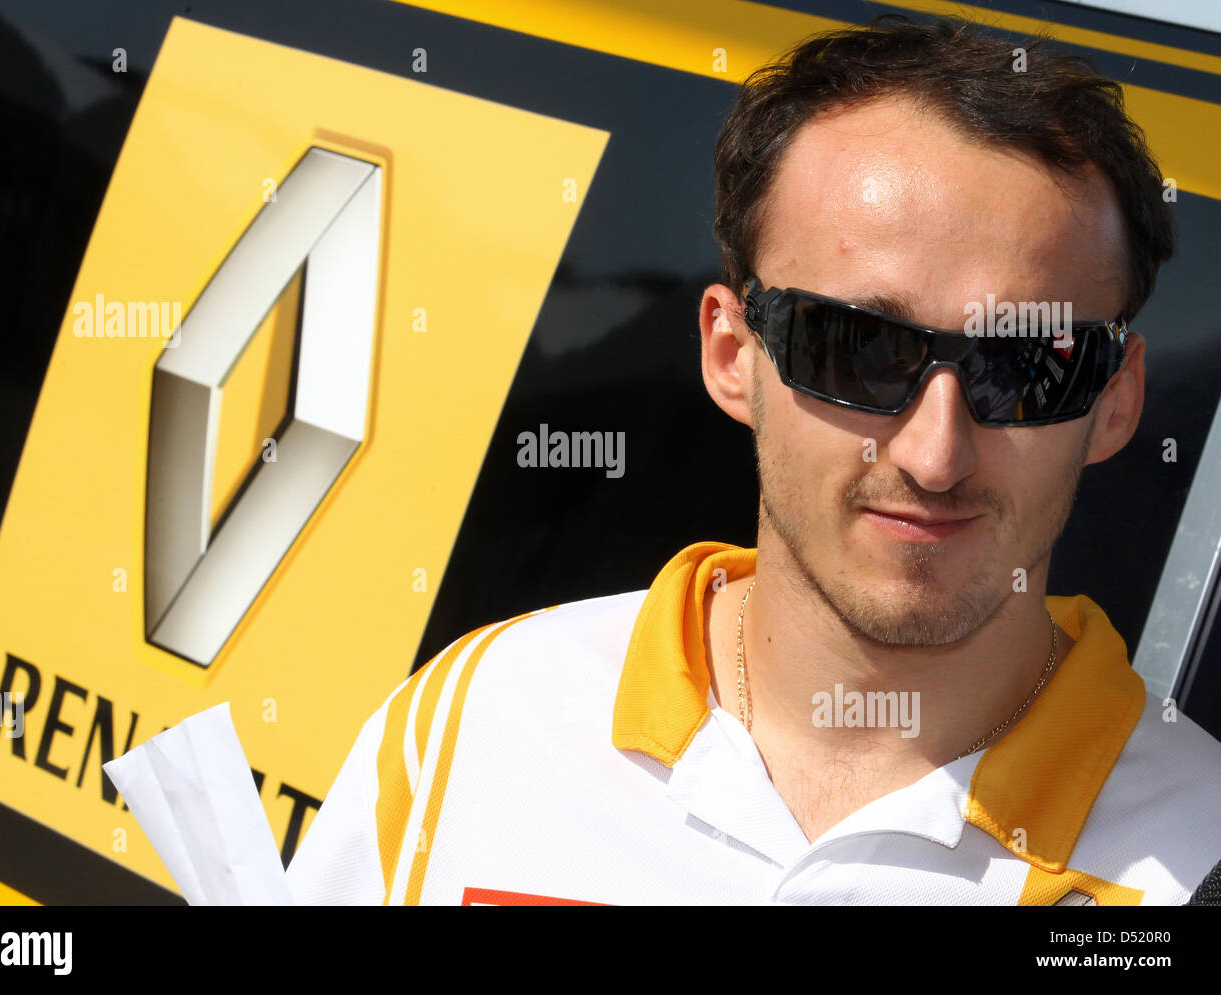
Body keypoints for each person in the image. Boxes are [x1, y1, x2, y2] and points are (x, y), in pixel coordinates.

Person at [285, 14, 1221, 905]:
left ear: (1117, 399)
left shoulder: (1199, 858)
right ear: (733, 356)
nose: (937, 453)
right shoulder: (477, 717)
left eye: (1025, 366)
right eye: (855, 346)